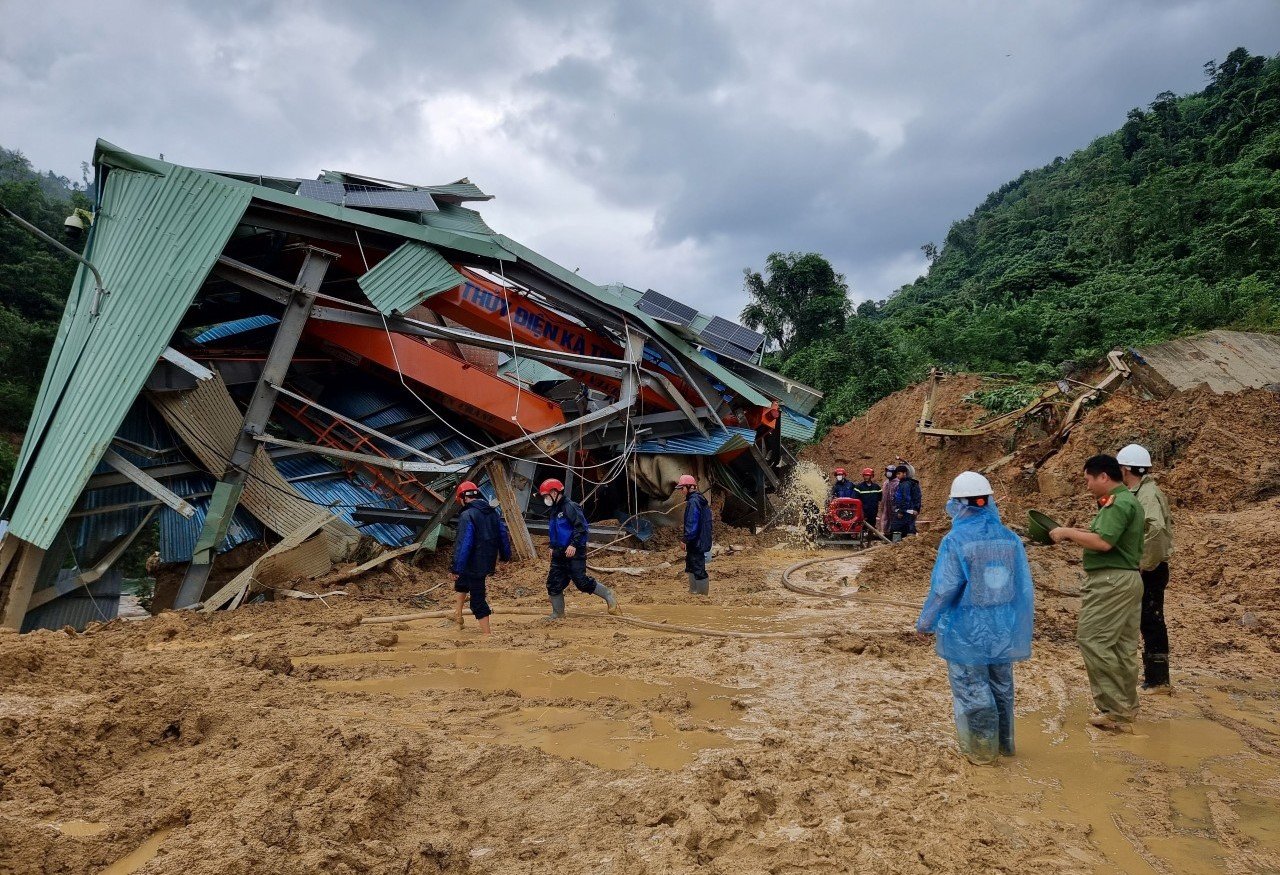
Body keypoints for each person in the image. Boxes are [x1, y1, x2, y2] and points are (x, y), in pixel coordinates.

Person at [917, 472, 1034, 764]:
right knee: (1002, 687)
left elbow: (944, 589)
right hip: (1002, 626)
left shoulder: (955, 540)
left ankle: (982, 753)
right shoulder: (1009, 538)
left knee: (972, 688)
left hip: (966, 628)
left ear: (958, 504)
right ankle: (1005, 745)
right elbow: (1022, 587)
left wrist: (926, 622)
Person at [1049, 455, 1146, 732]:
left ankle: (1114, 709)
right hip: (1127, 579)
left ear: (1103, 476)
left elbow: (1103, 542)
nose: (1087, 486)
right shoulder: (1126, 501)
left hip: (1111, 581)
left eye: (1088, 480)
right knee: (1122, 646)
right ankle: (1125, 707)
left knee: (1092, 639)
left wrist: (1068, 532)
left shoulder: (1118, 503)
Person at [1117, 443, 1175, 693]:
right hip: (1147, 566)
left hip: (1151, 568)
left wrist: (1145, 563)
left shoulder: (1147, 495)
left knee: (1151, 620)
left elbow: (1157, 530)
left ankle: (1158, 680)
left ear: (1125, 469)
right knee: (1146, 619)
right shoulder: (1140, 492)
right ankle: (1153, 678)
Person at [538, 478, 621, 619]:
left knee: (581, 582)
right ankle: (558, 613)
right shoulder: (554, 510)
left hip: (574, 552)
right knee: (553, 583)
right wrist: (552, 546)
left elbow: (581, 528)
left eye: (546, 495)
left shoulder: (571, 507)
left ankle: (608, 594)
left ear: (554, 492)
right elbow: (554, 531)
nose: (545, 498)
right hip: (559, 552)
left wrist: (574, 544)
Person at [450, 480, 512, 635]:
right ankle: (458, 615)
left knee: (477, 599)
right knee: (462, 583)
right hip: (486, 559)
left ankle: (487, 635)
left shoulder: (467, 515)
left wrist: (456, 567)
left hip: (473, 562)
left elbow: (464, 543)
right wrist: (505, 556)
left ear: (463, 498)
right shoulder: (492, 512)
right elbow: (503, 535)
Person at [676, 474, 714, 595]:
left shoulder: (694, 502)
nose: (681, 491)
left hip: (696, 540)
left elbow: (692, 523)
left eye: (682, 488)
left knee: (698, 567)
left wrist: (685, 539)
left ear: (689, 487)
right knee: (692, 565)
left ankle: (702, 595)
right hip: (697, 540)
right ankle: (693, 591)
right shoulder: (697, 500)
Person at [889, 465, 922, 540]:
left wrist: (901, 511)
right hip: (911, 511)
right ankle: (910, 544)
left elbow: (905, 498)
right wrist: (916, 509)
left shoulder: (905, 484)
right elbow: (918, 498)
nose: (897, 476)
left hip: (905, 512)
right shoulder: (912, 483)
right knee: (908, 530)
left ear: (905, 473)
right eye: (897, 474)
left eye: (899, 473)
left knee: (896, 529)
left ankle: (896, 544)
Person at [852, 468, 882, 534]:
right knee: (863, 528)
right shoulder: (858, 487)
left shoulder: (877, 487)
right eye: (865, 475)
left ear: (872, 476)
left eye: (868, 475)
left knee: (872, 528)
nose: (866, 477)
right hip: (863, 513)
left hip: (873, 512)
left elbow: (880, 498)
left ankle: (870, 538)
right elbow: (854, 500)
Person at [878, 464, 897, 533]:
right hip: (886, 505)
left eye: (890, 471)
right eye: (887, 471)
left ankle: (893, 533)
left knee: (894, 520)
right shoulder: (886, 483)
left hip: (894, 506)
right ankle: (885, 532)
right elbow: (883, 495)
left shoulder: (897, 483)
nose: (888, 473)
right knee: (885, 519)